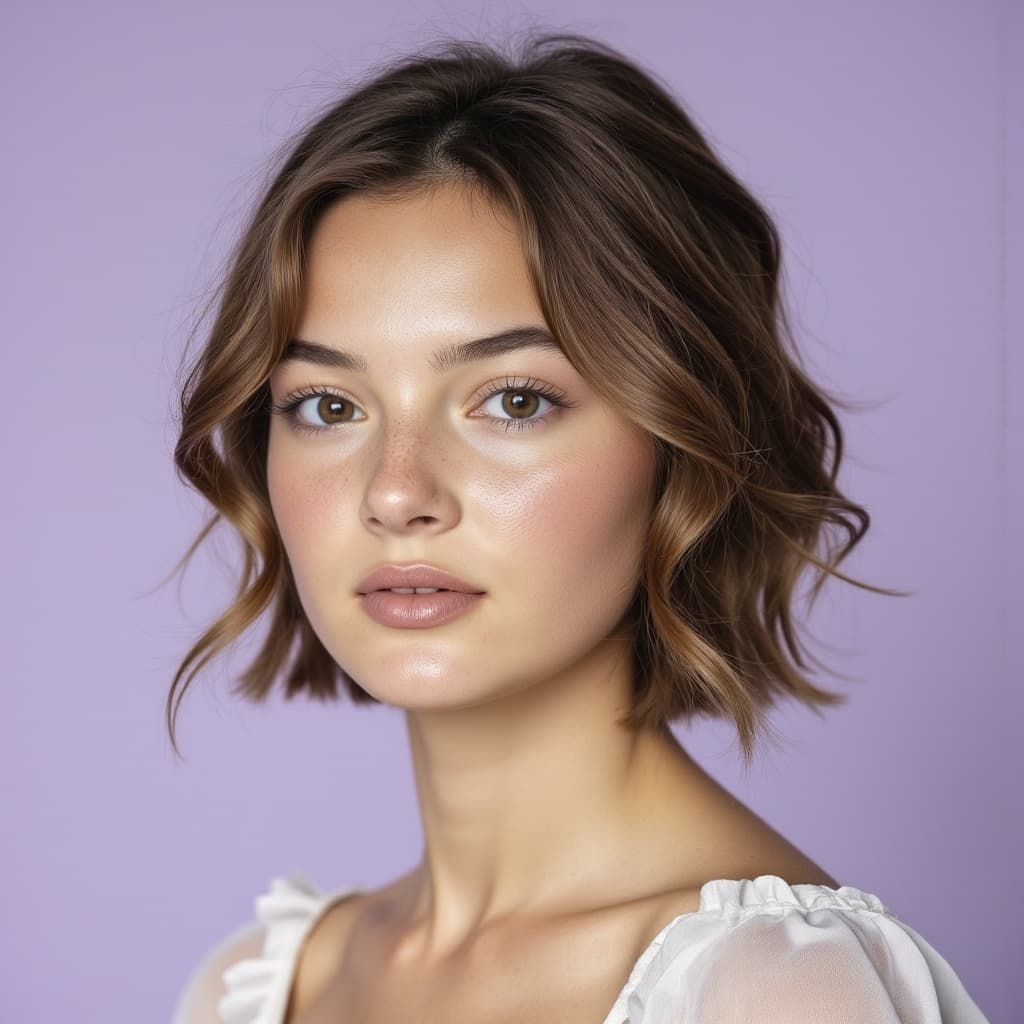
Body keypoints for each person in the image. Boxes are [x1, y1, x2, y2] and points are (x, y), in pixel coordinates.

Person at [168, 30, 988, 1024]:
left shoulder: (775, 989)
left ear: (678, 439)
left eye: (511, 400)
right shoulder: (252, 985)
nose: (395, 493)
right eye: (329, 406)